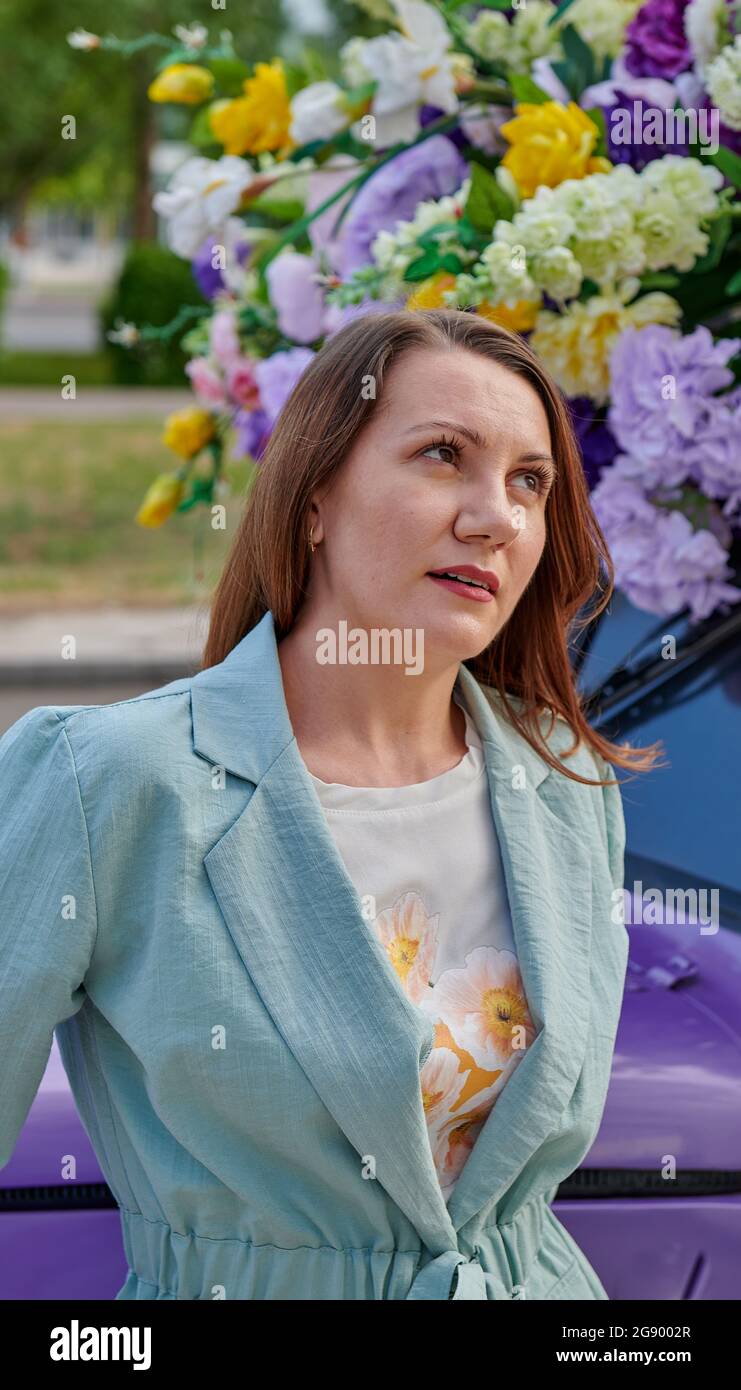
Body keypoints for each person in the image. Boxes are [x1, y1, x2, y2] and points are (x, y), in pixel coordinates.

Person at [0, 309, 663, 1300]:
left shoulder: (562, 774)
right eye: (444, 455)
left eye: (531, 480)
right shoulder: (110, 781)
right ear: (313, 495)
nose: (499, 517)